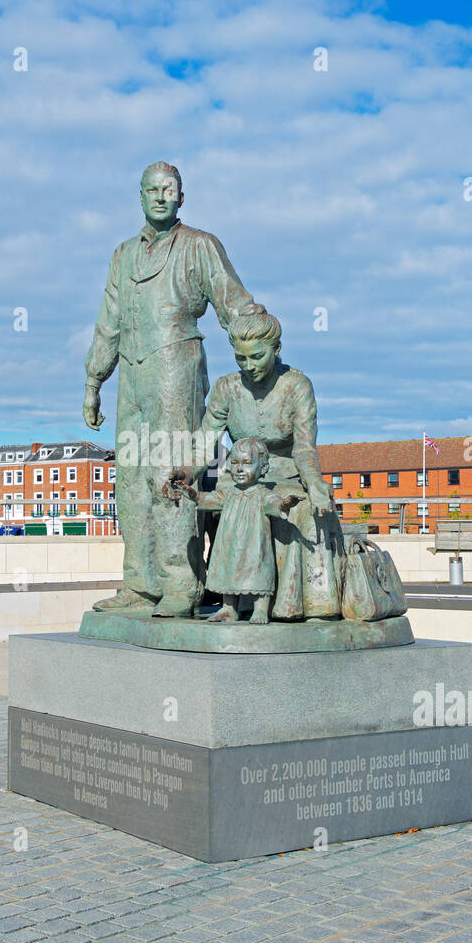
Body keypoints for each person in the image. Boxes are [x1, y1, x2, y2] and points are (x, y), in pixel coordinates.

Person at [83, 162, 253, 617]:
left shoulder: (200, 246)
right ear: (140, 197)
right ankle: (140, 585)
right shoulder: (122, 255)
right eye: (152, 190)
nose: (160, 196)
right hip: (132, 378)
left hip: (175, 368)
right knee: (131, 481)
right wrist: (94, 380)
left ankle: (182, 584)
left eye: (169, 189)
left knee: (173, 474)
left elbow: (233, 303)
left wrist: (260, 352)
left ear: (181, 196)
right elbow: (109, 320)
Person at [166, 306, 345, 620]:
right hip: (240, 478)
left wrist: (315, 483)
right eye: (241, 358)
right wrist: (186, 473)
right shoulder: (226, 389)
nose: (248, 366)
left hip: (288, 475)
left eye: (257, 357)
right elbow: (205, 445)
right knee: (223, 506)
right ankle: (222, 598)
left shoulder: (297, 386)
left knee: (302, 509)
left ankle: (295, 604)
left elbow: (305, 448)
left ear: (276, 350)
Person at [167, 436, 300, 623]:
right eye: (235, 462)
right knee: (227, 571)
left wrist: (285, 504)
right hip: (229, 545)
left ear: (262, 468)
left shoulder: (262, 494)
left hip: (254, 545)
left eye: (246, 463)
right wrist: (192, 494)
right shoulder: (228, 493)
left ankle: (260, 610)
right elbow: (206, 499)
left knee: (258, 571)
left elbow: (275, 503)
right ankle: (228, 608)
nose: (239, 469)